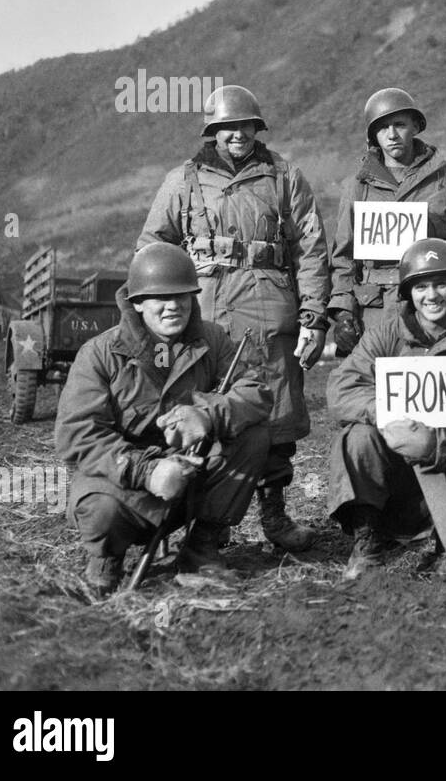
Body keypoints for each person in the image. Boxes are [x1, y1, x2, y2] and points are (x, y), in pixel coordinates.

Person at [138, 85, 331, 552]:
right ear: (213, 131)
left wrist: (313, 315)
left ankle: (274, 517)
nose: (237, 134)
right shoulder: (182, 181)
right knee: (197, 412)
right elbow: (152, 248)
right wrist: (158, 310)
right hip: (205, 316)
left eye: (245, 125)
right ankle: (205, 522)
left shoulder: (285, 176)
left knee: (276, 418)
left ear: (256, 128)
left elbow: (311, 250)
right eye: (227, 127)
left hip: (271, 315)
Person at [55, 243, 272, 597]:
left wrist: (208, 415)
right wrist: (148, 471)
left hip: (190, 481)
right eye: (160, 297)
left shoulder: (212, 340)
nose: (173, 306)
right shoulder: (99, 354)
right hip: (123, 487)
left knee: (254, 434)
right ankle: (107, 559)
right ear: (138, 302)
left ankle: (201, 548)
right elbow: (78, 435)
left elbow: (256, 392)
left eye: (181, 295)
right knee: (99, 508)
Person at [326, 239, 446, 578]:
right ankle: (369, 540)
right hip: (400, 477)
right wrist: (384, 413)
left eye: (441, 284)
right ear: (408, 293)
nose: (431, 296)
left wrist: (435, 444)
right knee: (356, 438)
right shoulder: (386, 336)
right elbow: (342, 388)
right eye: (420, 287)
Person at [328, 88, 446, 356]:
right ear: (373, 136)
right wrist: (344, 312)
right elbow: (344, 258)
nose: (392, 134)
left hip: (435, 307)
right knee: (376, 379)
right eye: (383, 128)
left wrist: (438, 258)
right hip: (376, 313)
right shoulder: (358, 186)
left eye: (399, 125)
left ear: (415, 126)